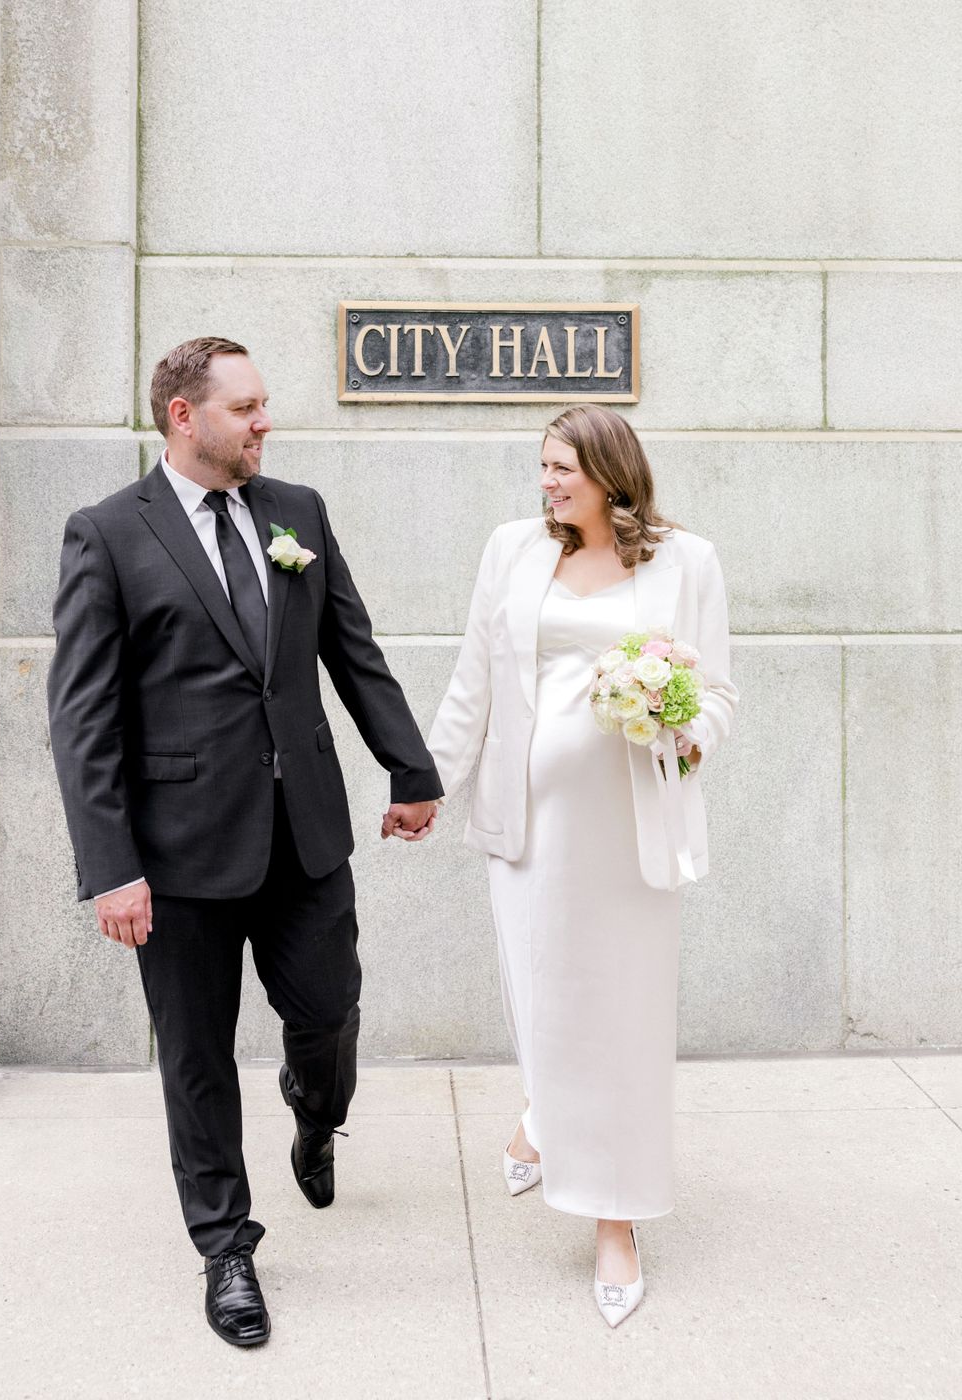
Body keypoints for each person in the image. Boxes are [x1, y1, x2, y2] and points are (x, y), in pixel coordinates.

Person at [47, 336, 441, 1347]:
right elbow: (84, 716)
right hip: (177, 856)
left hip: (304, 832)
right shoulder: (107, 534)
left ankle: (315, 1109)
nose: (265, 422)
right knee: (195, 1055)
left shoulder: (296, 513)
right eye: (247, 407)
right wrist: (111, 866)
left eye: (264, 405)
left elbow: (351, 648)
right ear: (185, 415)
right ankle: (226, 1244)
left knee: (330, 1011)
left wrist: (410, 766)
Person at [425, 404, 737, 1327]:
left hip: (628, 831)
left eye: (565, 467)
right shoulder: (513, 550)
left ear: (611, 472)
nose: (549, 483)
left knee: (624, 1021)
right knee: (542, 994)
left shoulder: (688, 562)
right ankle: (546, 1114)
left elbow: (717, 694)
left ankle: (617, 1220)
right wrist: (424, 784)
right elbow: (473, 679)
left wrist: (677, 723)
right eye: (544, 467)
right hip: (529, 826)